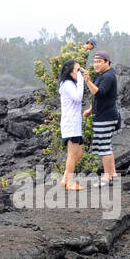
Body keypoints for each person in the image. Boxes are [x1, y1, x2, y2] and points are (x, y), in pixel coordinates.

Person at [84, 50, 120, 181]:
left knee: (104, 147)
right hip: (103, 115)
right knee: (106, 146)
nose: (96, 64)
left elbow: (99, 93)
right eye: (94, 62)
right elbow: (101, 98)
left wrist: (87, 81)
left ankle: (107, 177)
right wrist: (91, 109)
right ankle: (113, 174)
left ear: (107, 62)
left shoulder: (108, 76)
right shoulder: (103, 75)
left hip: (106, 116)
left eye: (99, 62)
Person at [58, 59, 85, 190]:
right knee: (72, 153)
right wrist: (81, 80)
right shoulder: (68, 84)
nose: (79, 72)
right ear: (70, 72)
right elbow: (78, 97)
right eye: (77, 70)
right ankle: (70, 182)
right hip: (71, 123)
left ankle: (65, 179)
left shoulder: (68, 83)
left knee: (79, 153)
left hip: (73, 123)